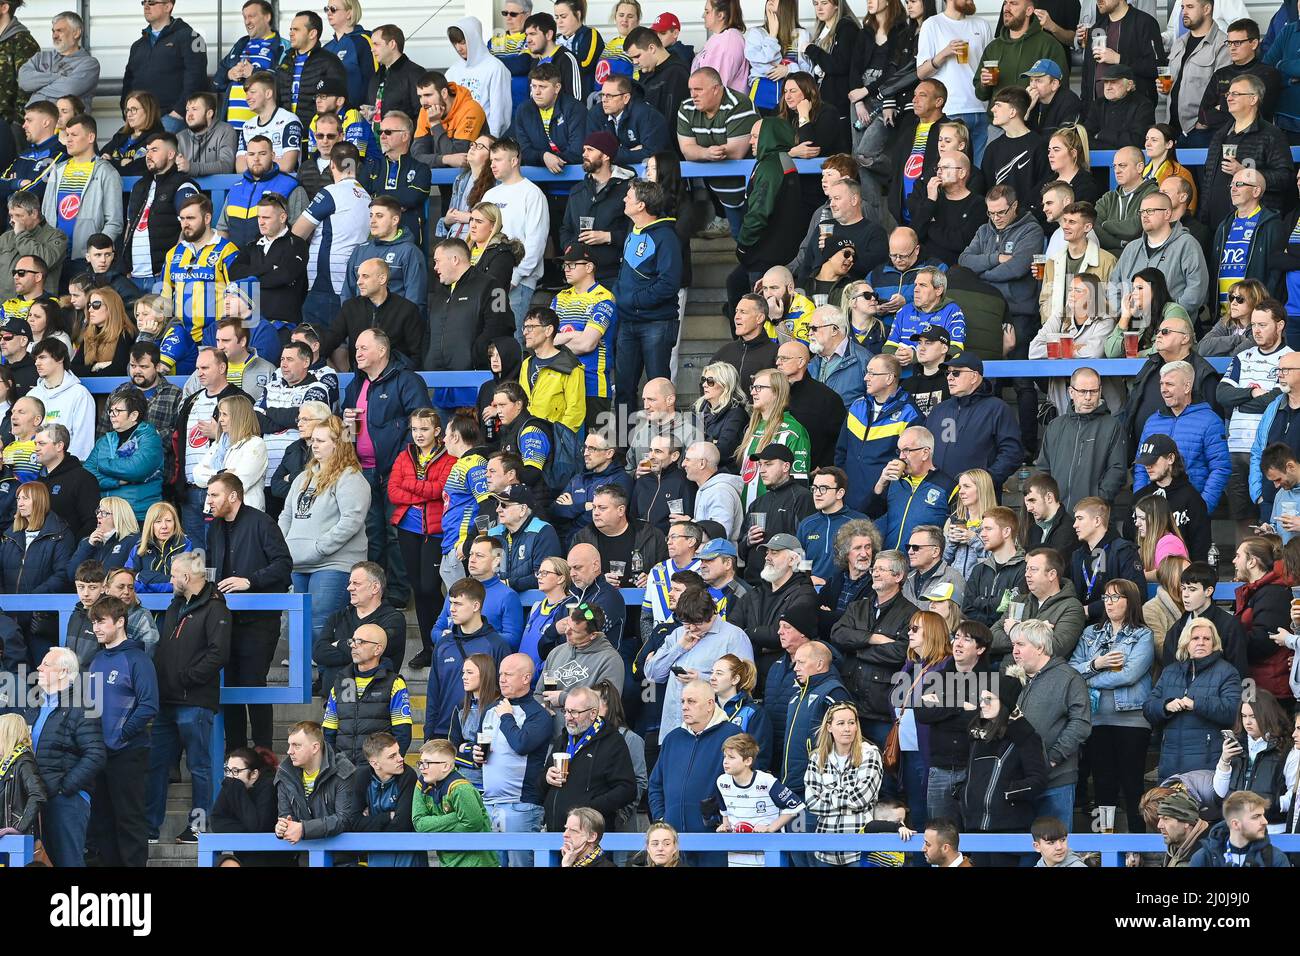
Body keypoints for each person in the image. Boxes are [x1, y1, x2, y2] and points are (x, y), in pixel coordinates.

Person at [146, 550, 230, 845]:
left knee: (199, 766)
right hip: (167, 701)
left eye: (172, 575)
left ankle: (198, 826)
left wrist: (186, 678)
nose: (169, 580)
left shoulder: (216, 608)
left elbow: (218, 653)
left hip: (194, 702)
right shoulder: (175, 605)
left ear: (185, 577)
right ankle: (149, 827)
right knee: (155, 765)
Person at [1068, 578, 1155, 833]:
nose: (1109, 603)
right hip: (1096, 719)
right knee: (1103, 786)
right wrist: (1096, 664)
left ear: (1131, 601)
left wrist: (1091, 679)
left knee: (1132, 784)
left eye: (1116, 597)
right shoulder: (1090, 632)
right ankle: (1104, 843)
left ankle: (1136, 844)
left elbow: (1130, 674)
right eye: (1106, 597)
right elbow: (1073, 669)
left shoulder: (1143, 634)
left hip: (1132, 719)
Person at [278, 415, 370, 645]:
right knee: (297, 622)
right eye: (313, 441)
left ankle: (323, 678)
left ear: (338, 444)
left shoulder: (350, 477)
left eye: (320, 441)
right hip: (298, 562)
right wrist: (283, 546)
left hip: (332, 564)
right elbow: (286, 515)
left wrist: (320, 547)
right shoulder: (303, 476)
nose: (314, 445)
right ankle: (303, 673)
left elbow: (351, 521)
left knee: (320, 622)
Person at [84, 595, 157, 866]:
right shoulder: (97, 660)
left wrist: (123, 735)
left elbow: (149, 704)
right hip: (98, 755)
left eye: (101, 621)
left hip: (128, 753)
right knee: (102, 822)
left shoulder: (137, 660)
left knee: (130, 820)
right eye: (94, 622)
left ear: (120, 621)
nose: (96, 628)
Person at [648, 678, 742, 865]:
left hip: (716, 840)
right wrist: (662, 818)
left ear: (709, 705)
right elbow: (655, 784)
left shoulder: (732, 735)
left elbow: (742, 781)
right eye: (683, 701)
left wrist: (717, 818)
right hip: (674, 843)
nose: (684, 706)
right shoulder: (672, 738)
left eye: (691, 701)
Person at [1008, 618, 1093, 825]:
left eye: (1021, 644)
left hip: (1057, 781)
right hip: (1020, 780)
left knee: (1056, 848)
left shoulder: (1069, 678)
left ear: (1040, 647)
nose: (1015, 651)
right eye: (1013, 645)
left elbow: (1080, 724)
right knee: (1025, 852)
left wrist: (1053, 758)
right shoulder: (1011, 680)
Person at [1146, 616, 1243, 779]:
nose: (1201, 642)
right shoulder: (1170, 671)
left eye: (1206, 638)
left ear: (1214, 643)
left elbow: (1232, 711)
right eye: (1195, 638)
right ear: (1186, 643)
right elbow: (1148, 707)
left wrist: (1196, 704)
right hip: (1170, 762)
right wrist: (1165, 706)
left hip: (1206, 763)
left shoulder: (1227, 672)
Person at [1201, 74, 1295, 235]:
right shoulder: (1219, 135)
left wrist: (1245, 172)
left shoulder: (1272, 135)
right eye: (1228, 94)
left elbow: (1285, 178)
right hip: (1214, 226)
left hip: (1252, 227)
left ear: (1253, 99)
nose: (1229, 98)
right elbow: (1208, 179)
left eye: (1236, 94)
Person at [321, 622, 412, 767]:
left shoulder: (394, 683)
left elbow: (402, 734)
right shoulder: (340, 682)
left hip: (377, 770)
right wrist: (335, 765)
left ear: (377, 649)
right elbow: (329, 732)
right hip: (343, 770)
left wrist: (385, 767)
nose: (353, 645)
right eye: (352, 641)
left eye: (361, 642)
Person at [1111, 193, 1209, 321]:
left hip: (1171, 330)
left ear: (1167, 214)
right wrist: (1125, 315)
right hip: (1132, 328)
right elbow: (1113, 285)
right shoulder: (1131, 248)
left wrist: (1168, 315)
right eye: (1142, 211)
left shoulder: (1187, 244)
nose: (1144, 215)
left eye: (1150, 211)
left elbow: (1196, 291)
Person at [713, 731, 803, 866]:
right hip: (737, 855)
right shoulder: (722, 782)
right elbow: (725, 809)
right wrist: (725, 825)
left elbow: (796, 806)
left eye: (731, 757)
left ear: (748, 761)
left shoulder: (766, 781)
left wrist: (771, 828)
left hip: (768, 855)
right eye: (725, 756)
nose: (725, 761)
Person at [410, 737, 497, 867]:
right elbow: (419, 823)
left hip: (478, 863)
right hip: (447, 862)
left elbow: (472, 824)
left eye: (427, 763)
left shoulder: (461, 788)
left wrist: (435, 825)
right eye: (421, 763)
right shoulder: (422, 782)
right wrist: (457, 817)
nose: (422, 768)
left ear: (446, 766)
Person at [1215, 690, 1293, 824]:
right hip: (1237, 825)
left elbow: (1294, 793)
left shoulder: (1285, 747)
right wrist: (1224, 760)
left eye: (1253, 716)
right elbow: (1220, 793)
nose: (1247, 722)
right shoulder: (1238, 745)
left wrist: (1270, 805)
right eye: (1244, 716)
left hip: (1271, 825)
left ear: (1267, 716)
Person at [274, 720, 357, 845]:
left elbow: (344, 819)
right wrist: (281, 828)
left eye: (296, 745)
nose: (289, 751)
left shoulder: (343, 771)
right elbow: (286, 816)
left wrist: (304, 828)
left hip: (341, 857)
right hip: (302, 855)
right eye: (289, 745)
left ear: (315, 747)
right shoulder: (284, 774)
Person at [1190, 789, 1292, 866]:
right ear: (1235, 824)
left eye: (1263, 815)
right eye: (1256, 817)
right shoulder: (1204, 858)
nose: (1265, 822)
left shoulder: (1275, 858)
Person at [0, 194, 65, 300]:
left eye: (19, 216)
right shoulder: (6, 237)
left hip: (38, 308)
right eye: (11, 216)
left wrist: (21, 234)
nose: (12, 221)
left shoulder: (56, 236)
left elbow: (45, 261)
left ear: (34, 213)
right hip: (5, 307)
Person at [175, 92, 239, 177]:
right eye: (187, 110)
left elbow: (226, 166)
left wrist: (191, 168)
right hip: (188, 188)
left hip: (218, 189)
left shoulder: (225, 130)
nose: (189, 114)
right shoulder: (180, 137)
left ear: (209, 113)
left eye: (194, 109)